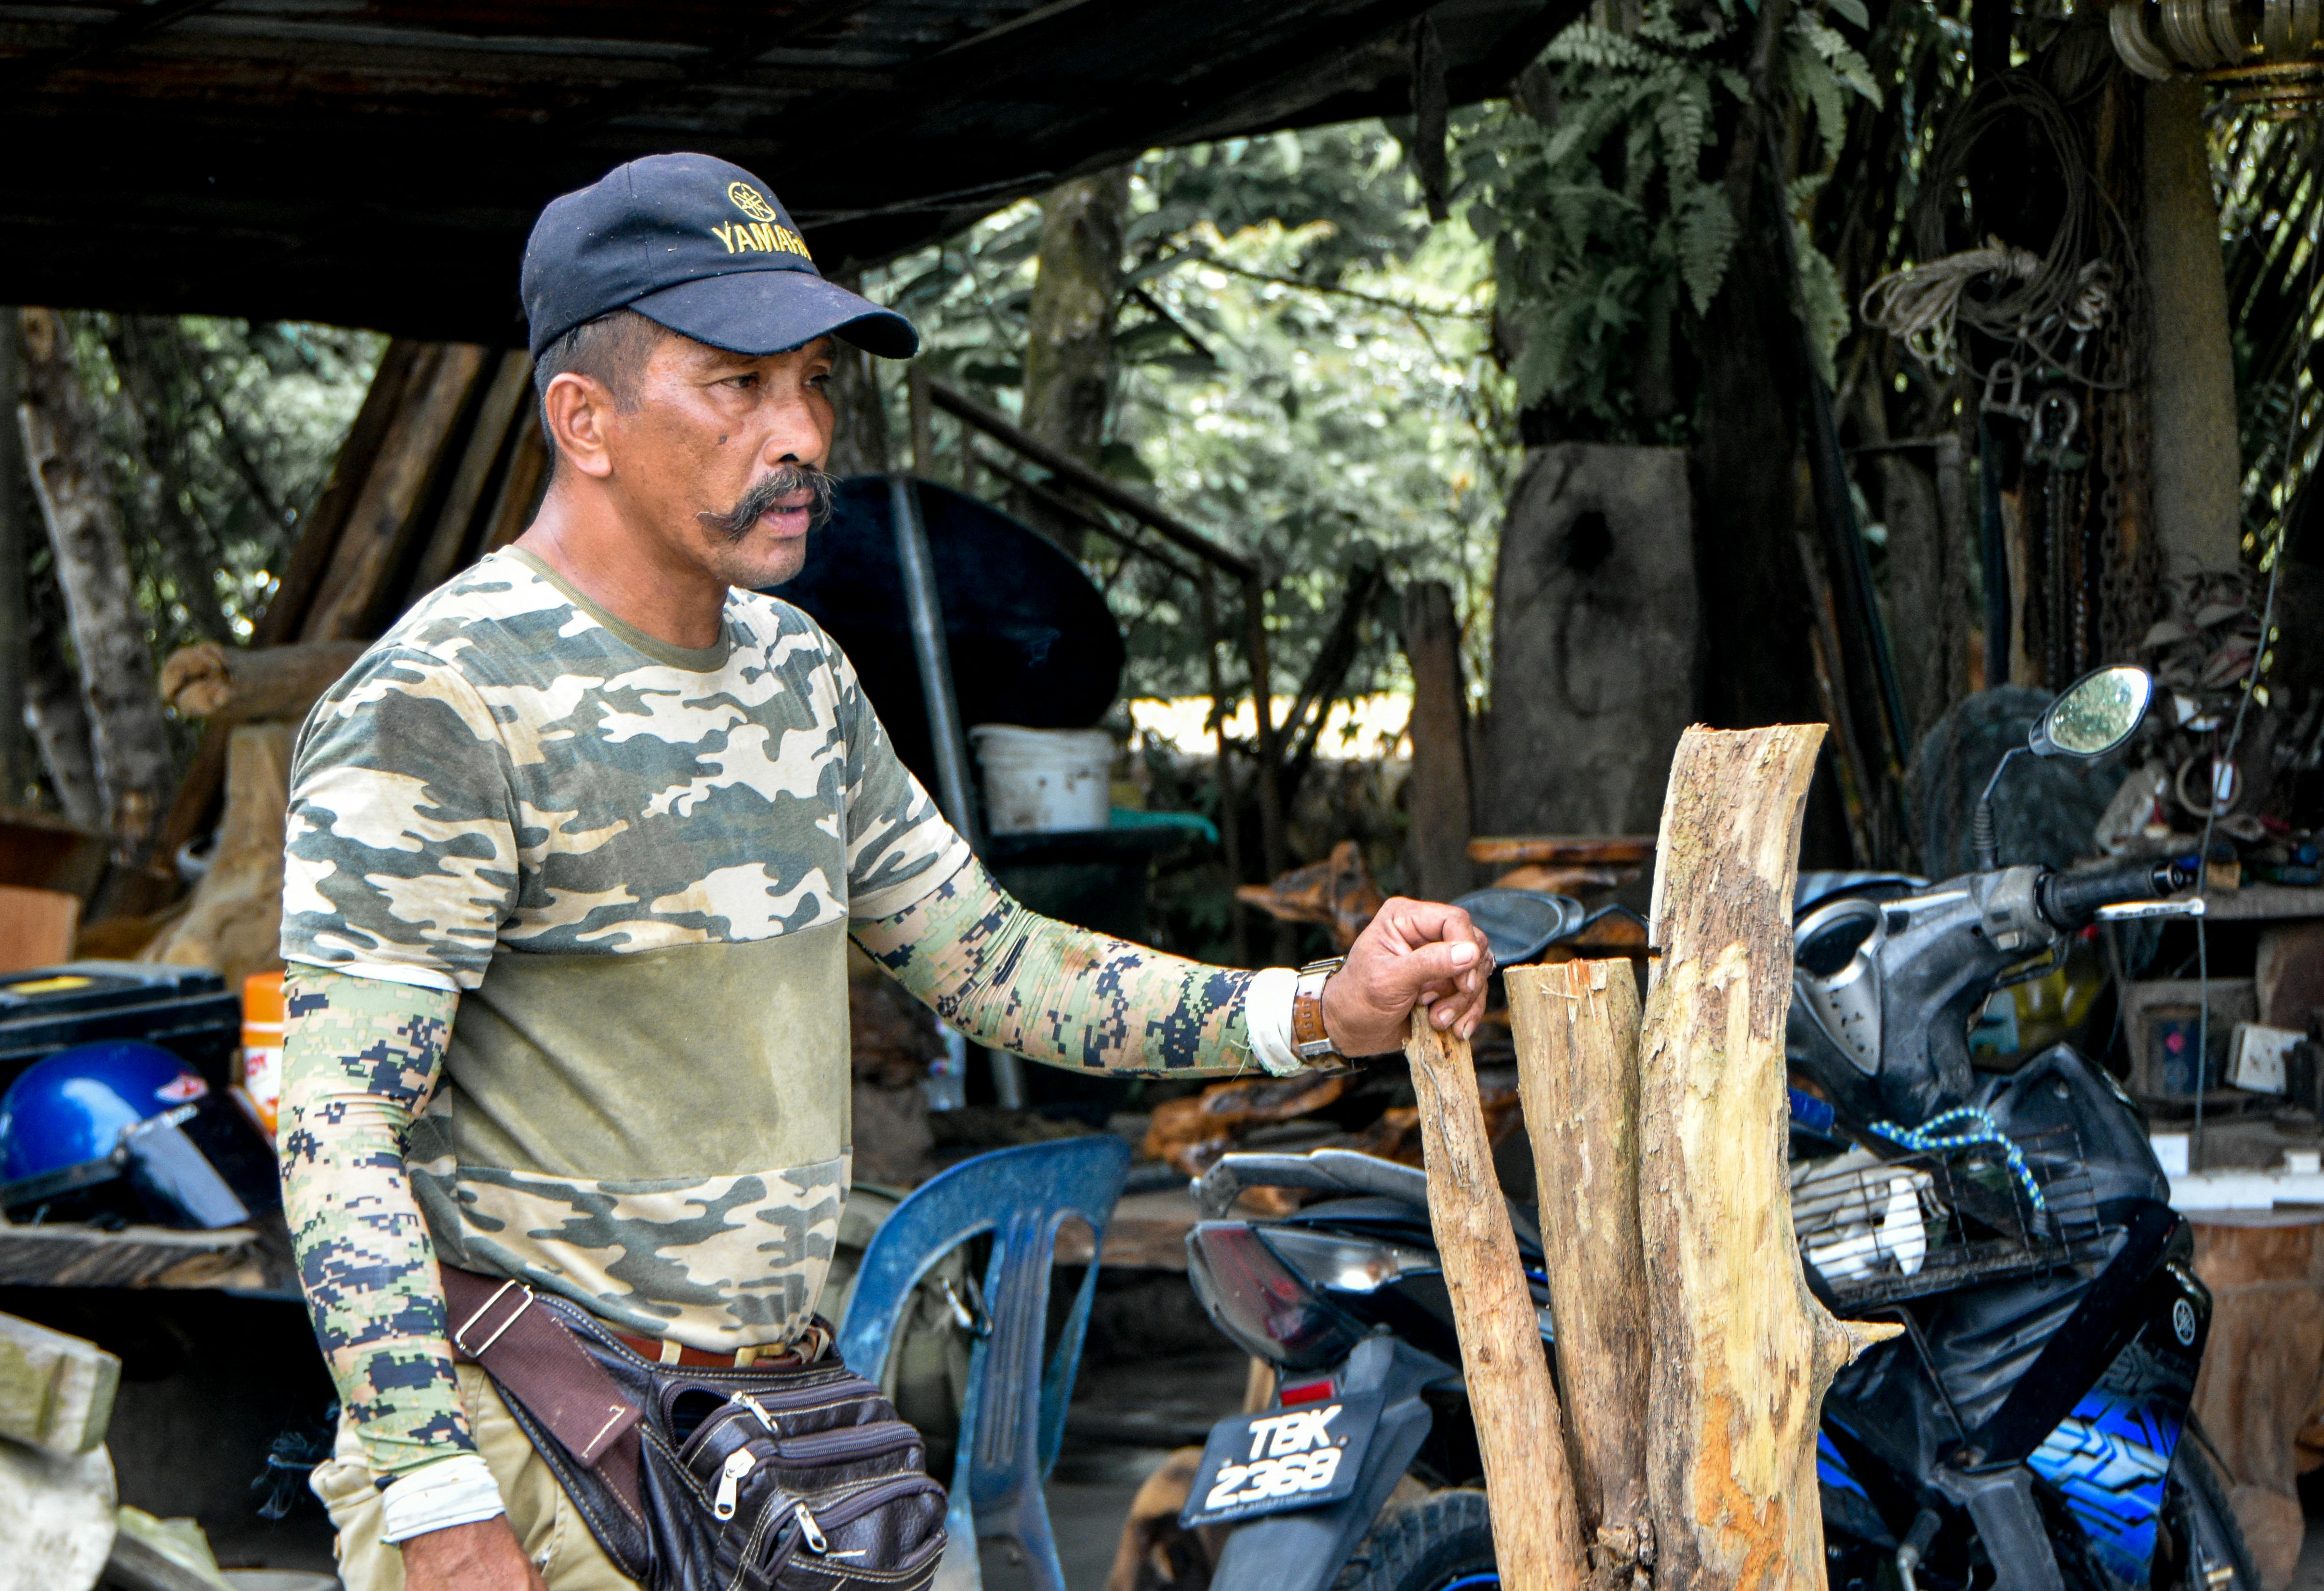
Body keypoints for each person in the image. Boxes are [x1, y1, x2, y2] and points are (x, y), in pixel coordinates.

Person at [277, 151, 1493, 1591]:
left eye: (813, 384)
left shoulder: (794, 671)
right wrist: (435, 1499)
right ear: (582, 418)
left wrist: (1314, 1013)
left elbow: (993, 961)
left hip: (766, 1434)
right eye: (738, 385)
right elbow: (339, 1133)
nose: (799, 433)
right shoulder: (444, 700)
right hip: (538, 1453)